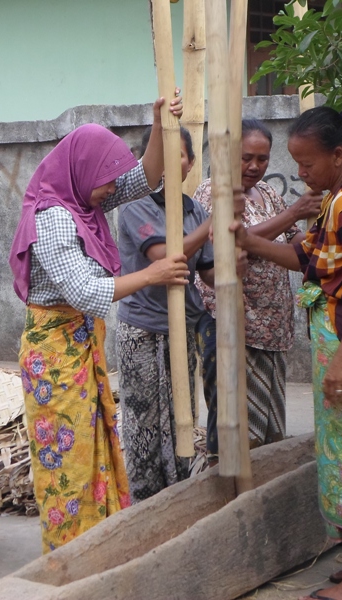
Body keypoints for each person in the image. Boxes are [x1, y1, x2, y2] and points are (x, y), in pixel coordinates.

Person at [232, 106, 342, 600]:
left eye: (307, 164)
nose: (301, 174)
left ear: (336, 155)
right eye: (297, 164)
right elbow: (308, 260)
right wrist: (249, 240)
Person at [8, 94, 189, 553]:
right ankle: (69, 553)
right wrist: (151, 275)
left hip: (81, 345)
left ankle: (99, 543)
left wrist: (155, 124)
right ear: (82, 171)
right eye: (104, 182)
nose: (111, 190)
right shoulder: (53, 218)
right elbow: (86, 293)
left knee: (94, 449)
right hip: (55, 357)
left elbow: (144, 179)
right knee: (68, 459)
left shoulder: (85, 204)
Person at [193, 119, 322, 460]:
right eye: (246, 158)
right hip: (234, 323)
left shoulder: (266, 192)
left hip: (272, 325)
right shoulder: (212, 191)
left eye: (262, 159)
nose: (254, 166)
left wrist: (317, 239)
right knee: (236, 429)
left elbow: (294, 236)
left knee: (267, 427)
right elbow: (235, 240)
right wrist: (295, 210)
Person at [116, 126, 220, 502]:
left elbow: (205, 270)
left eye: (181, 154)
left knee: (181, 421)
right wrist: (212, 224)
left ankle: (176, 500)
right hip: (142, 330)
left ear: (190, 164)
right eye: (163, 154)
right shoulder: (135, 206)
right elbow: (165, 257)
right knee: (144, 425)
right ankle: (144, 505)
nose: (171, 162)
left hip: (182, 329)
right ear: (147, 162)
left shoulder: (195, 210)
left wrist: (235, 254)